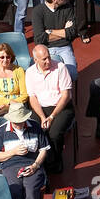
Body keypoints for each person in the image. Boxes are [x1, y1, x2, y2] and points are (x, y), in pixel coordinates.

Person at [0, 101, 49, 199]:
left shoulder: (35, 126)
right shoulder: (1, 131)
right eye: (16, 122)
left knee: (31, 191)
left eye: (21, 121)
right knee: (15, 190)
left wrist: (35, 165)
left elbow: (44, 149)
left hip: (32, 164)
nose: (19, 124)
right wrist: (13, 152)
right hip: (10, 165)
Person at [26, 44, 75, 175]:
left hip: (60, 107)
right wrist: (42, 117)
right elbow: (32, 98)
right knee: (35, 129)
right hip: (40, 108)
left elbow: (65, 96)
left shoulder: (60, 67)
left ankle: (55, 161)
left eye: (48, 57)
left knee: (54, 133)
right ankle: (43, 161)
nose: (48, 61)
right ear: (36, 60)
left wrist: (52, 116)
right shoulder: (30, 72)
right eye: (44, 59)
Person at [31, 0, 79, 73]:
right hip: (46, 49)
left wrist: (50, 31)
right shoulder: (38, 11)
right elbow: (39, 39)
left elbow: (72, 32)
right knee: (46, 73)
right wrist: (64, 32)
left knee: (72, 74)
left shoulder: (68, 8)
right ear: (54, 0)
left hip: (64, 47)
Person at [0, 42, 29, 118]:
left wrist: (10, 104)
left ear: (11, 57)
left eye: (8, 57)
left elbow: (24, 95)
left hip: (16, 105)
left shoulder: (19, 70)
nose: (5, 60)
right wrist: (8, 102)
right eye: (2, 57)